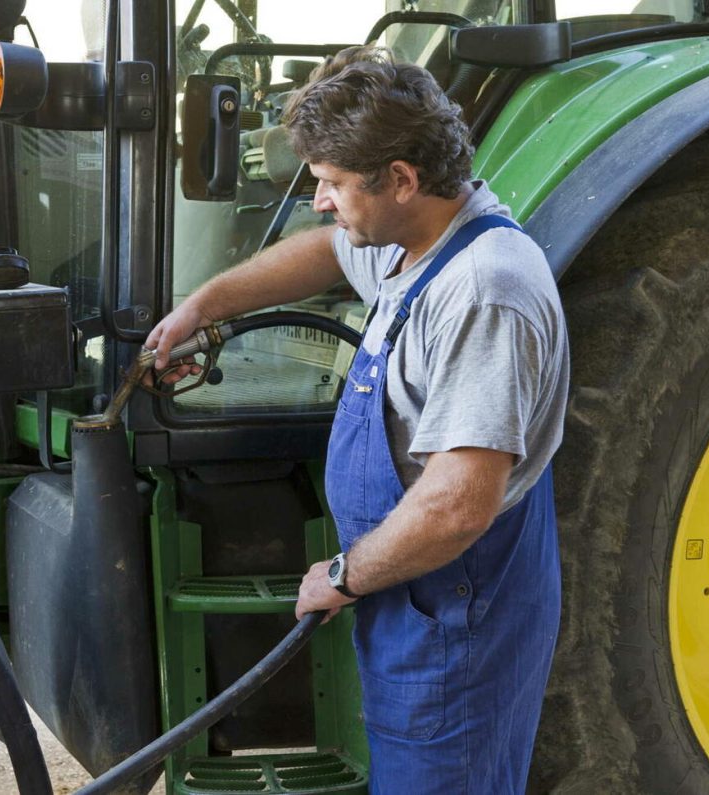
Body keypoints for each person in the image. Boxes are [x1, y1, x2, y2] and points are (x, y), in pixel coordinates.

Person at [146, 46, 569, 794]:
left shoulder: (484, 290)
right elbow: (329, 252)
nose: (322, 200)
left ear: (402, 179)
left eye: (335, 184)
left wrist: (344, 574)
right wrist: (202, 307)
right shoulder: (414, 241)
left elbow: (458, 501)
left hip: (457, 611)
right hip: (415, 600)